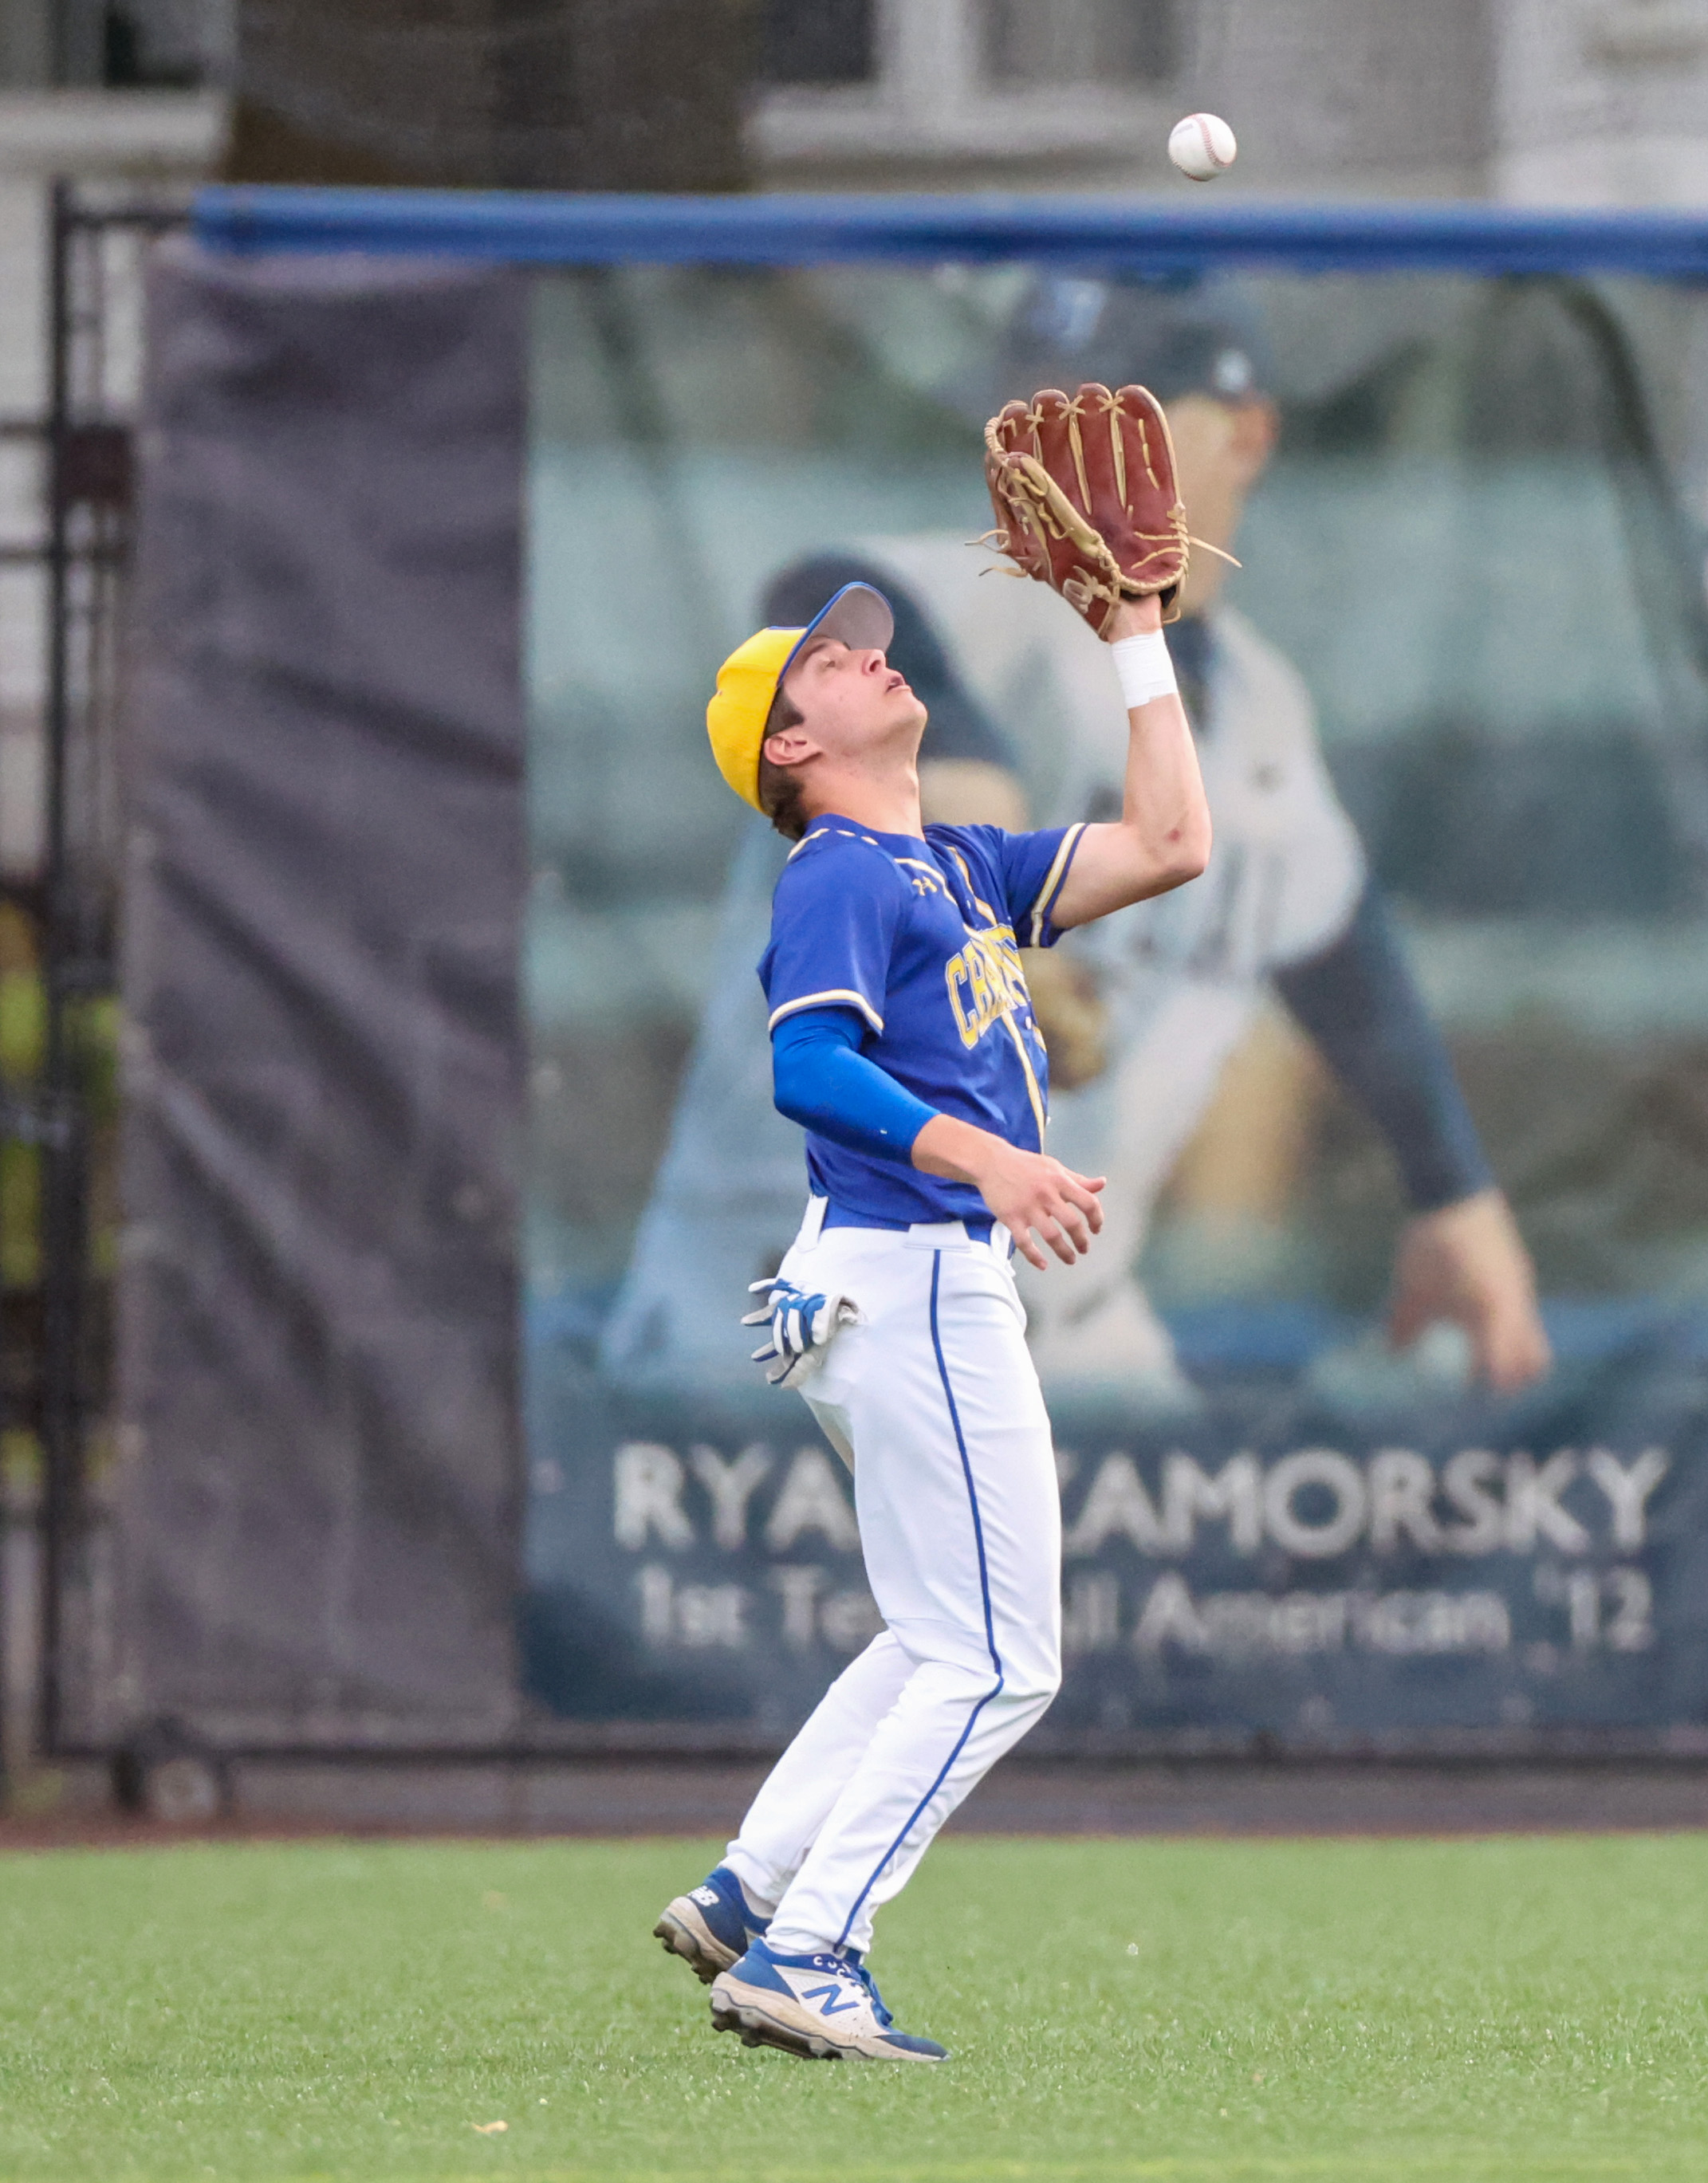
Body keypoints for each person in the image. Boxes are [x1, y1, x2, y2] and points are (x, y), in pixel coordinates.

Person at [604, 279, 1549, 1402]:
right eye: (1028, 418)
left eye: (1104, 424)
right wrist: (982, 912)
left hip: (1072, 1327)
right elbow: (841, 621)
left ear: (1246, 437)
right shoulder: (956, 599)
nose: (1052, 463)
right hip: (784, 1322)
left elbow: (1336, 943)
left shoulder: (1260, 709)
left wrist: (1455, 1193)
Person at [650, 468, 1211, 2060]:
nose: (871, 653)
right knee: (1002, 1657)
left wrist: (1136, 634)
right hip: (910, 1272)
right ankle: (813, 1950)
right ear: (792, 749)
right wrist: (996, 1159)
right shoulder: (836, 866)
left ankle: (757, 1886)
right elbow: (810, 1068)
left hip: (879, 1280)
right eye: (829, 660)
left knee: (930, 1631)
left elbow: (1171, 841)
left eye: (863, 639)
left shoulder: (950, 867)